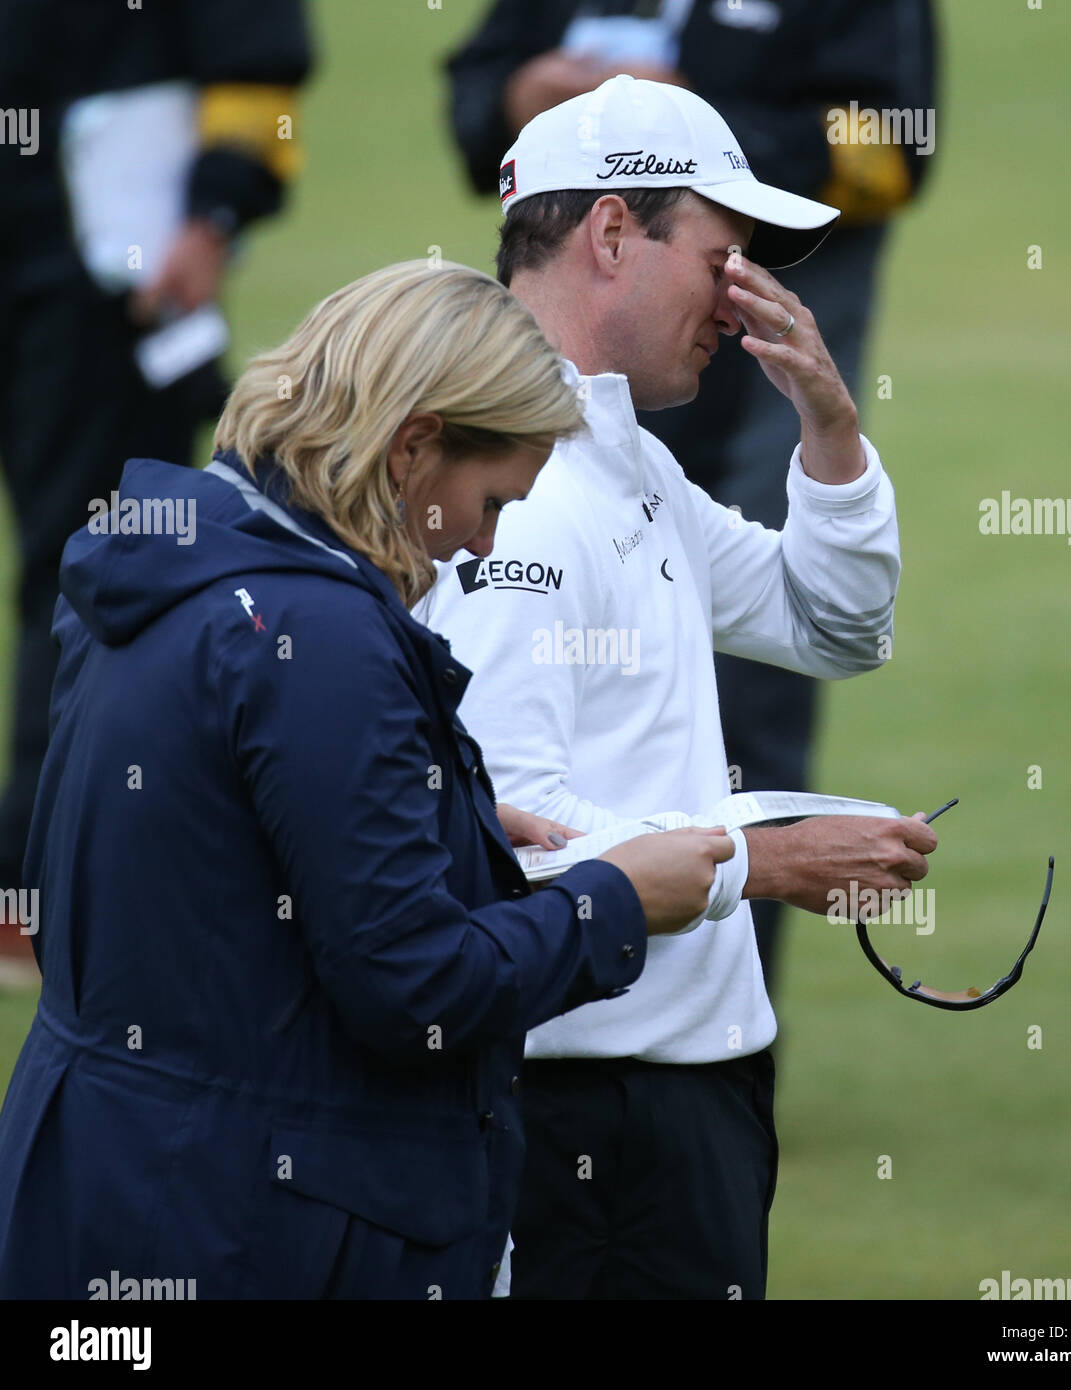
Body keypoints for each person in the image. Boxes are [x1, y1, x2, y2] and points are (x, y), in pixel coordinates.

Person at [0, 261, 734, 1301]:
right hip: (246, 1229)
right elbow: (412, 985)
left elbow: (215, 874)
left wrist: (459, 832)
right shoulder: (317, 635)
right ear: (413, 445)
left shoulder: (174, 569)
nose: (482, 544)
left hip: (110, 1183)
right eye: (489, 502)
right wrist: (610, 899)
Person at [420, 76, 938, 1299]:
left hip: (680, 1086)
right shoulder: (526, 494)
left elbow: (835, 623)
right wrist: (761, 861)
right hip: (587, 1114)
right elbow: (500, 842)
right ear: (612, 235)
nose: (741, 293)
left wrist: (827, 420)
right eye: (723, 253)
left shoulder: (619, 458)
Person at [0, 0, 314, 965]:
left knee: (79, 569)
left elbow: (259, 61)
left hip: (105, 277)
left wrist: (213, 215)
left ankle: (38, 883)